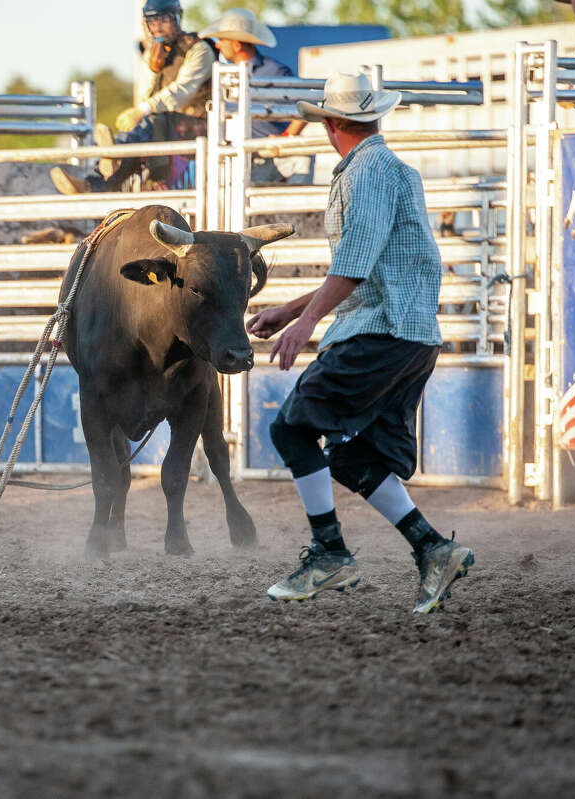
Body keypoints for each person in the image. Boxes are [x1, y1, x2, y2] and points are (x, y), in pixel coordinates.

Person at [245, 71, 474, 615]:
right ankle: (432, 549)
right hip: (411, 339)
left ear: (331, 123)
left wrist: (304, 323)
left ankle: (330, 553)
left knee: (291, 428)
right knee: (352, 456)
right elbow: (365, 267)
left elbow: (354, 263)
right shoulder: (393, 170)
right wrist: (291, 311)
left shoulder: (364, 173)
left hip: (379, 332)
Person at [50, 0, 213, 194]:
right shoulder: (154, 52)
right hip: (162, 126)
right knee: (140, 130)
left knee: (147, 124)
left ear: (177, 18)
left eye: (164, 21)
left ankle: (111, 158)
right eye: (152, 23)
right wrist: (153, 69)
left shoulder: (199, 49)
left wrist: (143, 110)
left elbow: (181, 91)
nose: (158, 28)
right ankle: (94, 181)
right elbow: (145, 95)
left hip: (199, 126)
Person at [198, 8, 311, 184]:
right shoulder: (228, 74)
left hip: (268, 160)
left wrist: (286, 137)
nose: (218, 45)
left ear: (237, 45)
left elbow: (306, 103)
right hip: (241, 159)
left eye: (222, 40)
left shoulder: (273, 71)